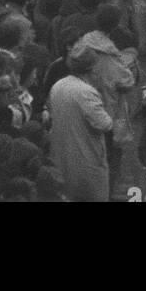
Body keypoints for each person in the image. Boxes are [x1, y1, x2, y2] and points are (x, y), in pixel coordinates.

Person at [47, 41, 114, 201]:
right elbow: (105, 124)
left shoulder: (58, 85)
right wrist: (104, 93)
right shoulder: (86, 92)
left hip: (61, 161)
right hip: (87, 165)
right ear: (92, 68)